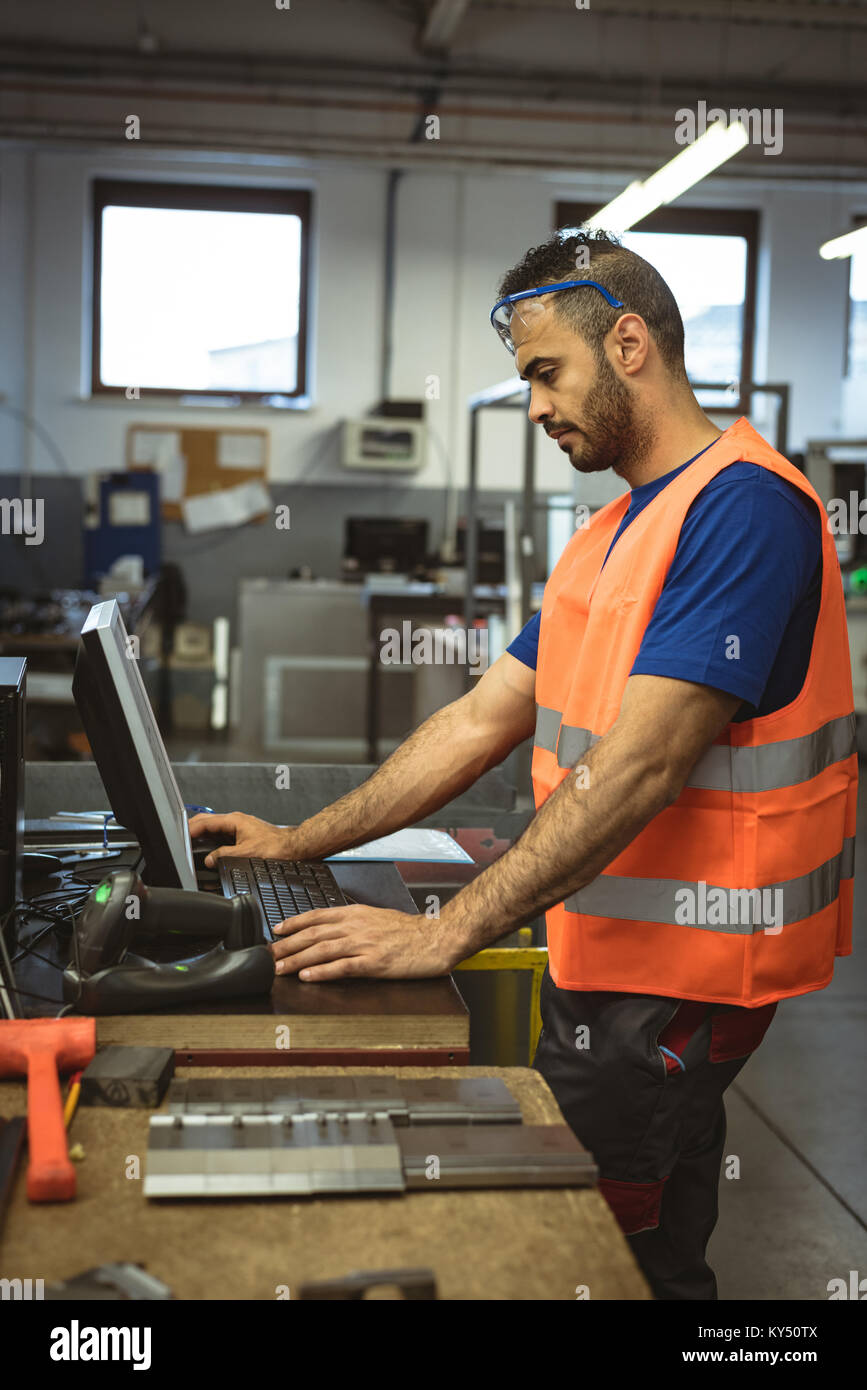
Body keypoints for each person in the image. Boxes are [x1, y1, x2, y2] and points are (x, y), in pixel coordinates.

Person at [189, 229, 856, 1299]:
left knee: (590, 1258)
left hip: (677, 983)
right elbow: (475, 721)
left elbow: (639, 768)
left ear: (629, 342)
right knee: (648, 1246)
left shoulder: (743, 509)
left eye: (548, 373)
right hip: (606, 962)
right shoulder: (611, 535)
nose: (536, 406)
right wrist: (293, 839)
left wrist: (442, 932)